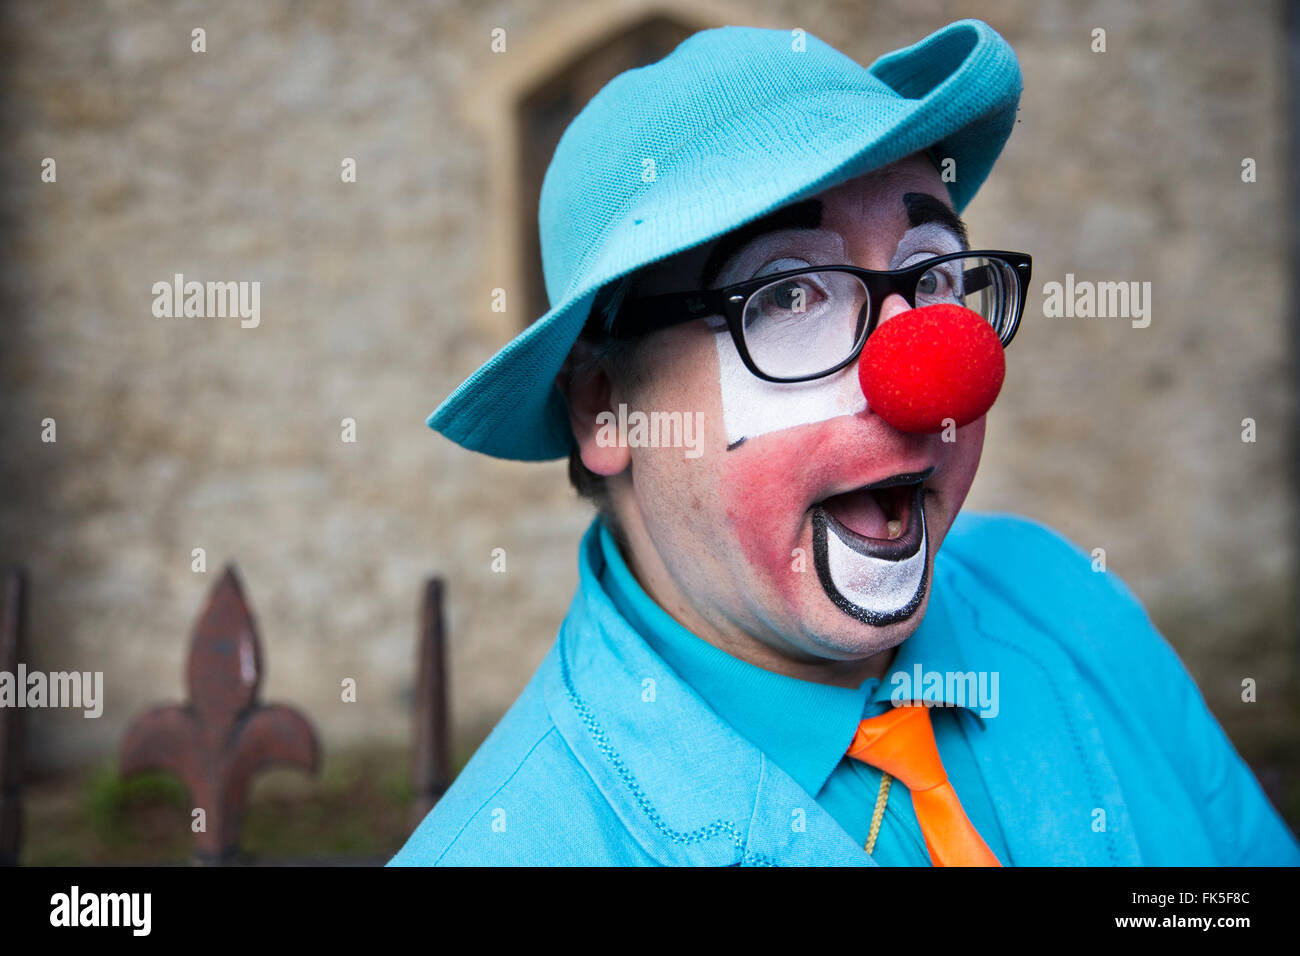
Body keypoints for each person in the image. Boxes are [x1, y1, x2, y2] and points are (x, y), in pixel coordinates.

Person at [389, 20, 1300, 866]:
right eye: (787, 297)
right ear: (604, 408)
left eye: (934, 274)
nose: (925, 377)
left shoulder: (1062, 594)